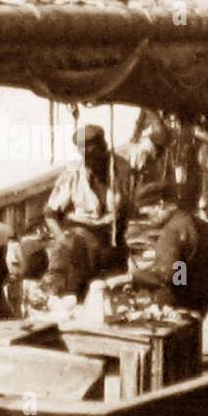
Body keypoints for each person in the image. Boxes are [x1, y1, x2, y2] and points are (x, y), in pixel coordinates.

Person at [42, 124, 132, 298]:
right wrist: (63, 241)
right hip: (82, 235)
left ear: (104, 148)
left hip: (112, 237)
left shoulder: (122, 168)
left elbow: (127, 207)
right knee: (70, 283)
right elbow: (50, 214)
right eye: (87, 158)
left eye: (97, 157)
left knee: (114, 292)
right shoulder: (73, 173)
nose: (92, 163)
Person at [124, 180, 208, 315]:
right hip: (199, 305)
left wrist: (131, 278)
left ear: (160, 204)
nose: (147, 221)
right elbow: (180, 271)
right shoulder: (200, 224)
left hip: (176, 309)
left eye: (147, 215)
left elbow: (165, 276)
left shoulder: (172, 230)